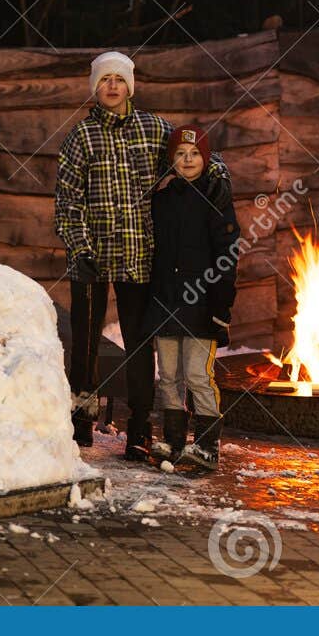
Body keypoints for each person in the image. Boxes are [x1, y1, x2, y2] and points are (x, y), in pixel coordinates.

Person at [54, 51, 230, 459]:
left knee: (138, 342)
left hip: (138, 255)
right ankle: (81, 424)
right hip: (92, 258)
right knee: (84, 344)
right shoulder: (80, 137)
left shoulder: (153, 129)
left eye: (119, 79)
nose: (112, 86)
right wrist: (79, 247)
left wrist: (218, 175)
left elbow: (196, 152)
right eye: (104, 80)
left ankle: (138, 430)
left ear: (129, 85)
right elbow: (68, 200)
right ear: (95, 87)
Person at [143, 124, 239, 471]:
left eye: (195, 154)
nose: (187, 160)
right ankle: (172, 439)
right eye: (180, 155)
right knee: (168, 375)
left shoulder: (216, 197)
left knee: (198, 374)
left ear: (206, 158)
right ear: (171, 160)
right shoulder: (162, 200)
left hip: (202, 302)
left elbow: (227, 254)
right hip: (166, 300)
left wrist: (221, 304)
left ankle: (207, 445)